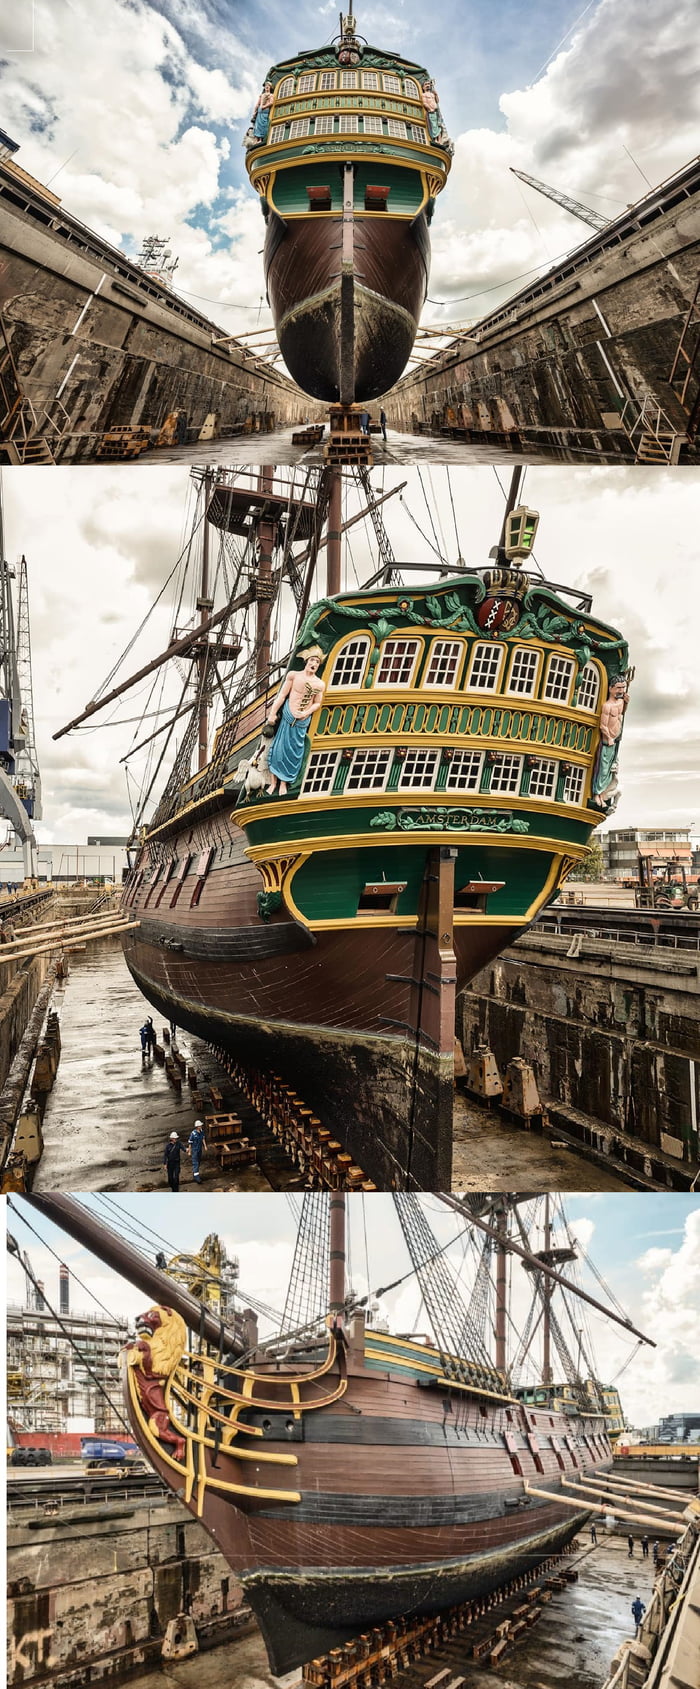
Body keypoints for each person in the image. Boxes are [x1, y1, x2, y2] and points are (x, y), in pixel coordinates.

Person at [266, 647, 326, 797]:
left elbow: (317, 703)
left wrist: (306, 712)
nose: (314, 663)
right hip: (288, 716)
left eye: (317, 662)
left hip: (301, 722)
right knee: (278, 749)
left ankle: (284, 783)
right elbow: (282, 696)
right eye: (312, 660)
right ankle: (273, 782)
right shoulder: (294, 676)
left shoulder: (319, 684)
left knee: (294, 753)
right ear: (306, 661)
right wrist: (272, 713)